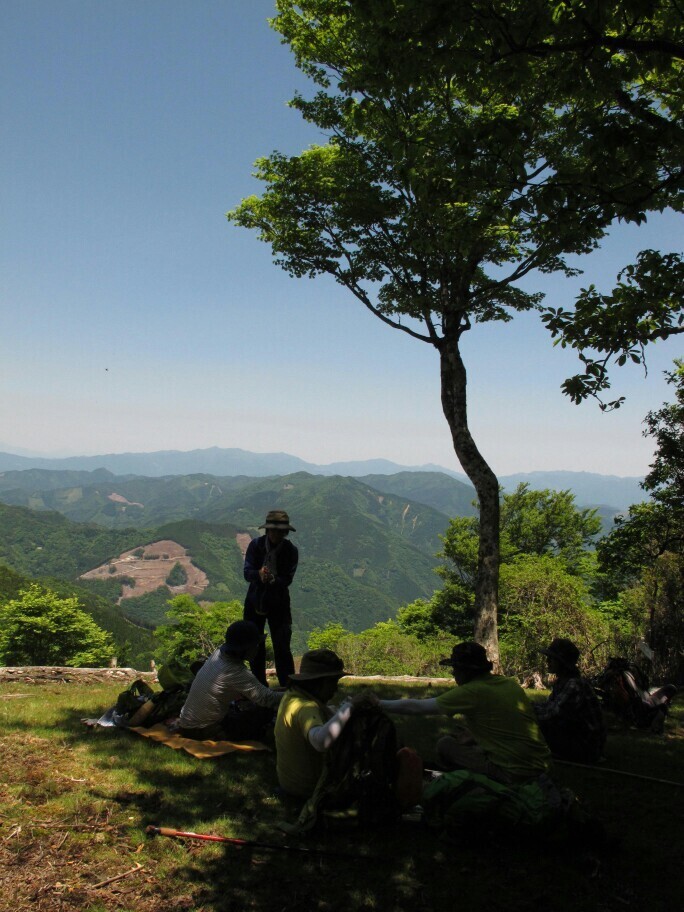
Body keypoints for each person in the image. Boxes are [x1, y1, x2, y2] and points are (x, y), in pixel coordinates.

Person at [379, 641, 551, 784]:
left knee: (445, 744)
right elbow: (507, 723)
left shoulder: (472, 691)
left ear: (465, 671)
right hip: (542, 766)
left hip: (514, 773)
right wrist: (475, 736)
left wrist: (376, 703)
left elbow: (417, 707)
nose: (453, 673)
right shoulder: (509, 684)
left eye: (455, 668)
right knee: (467, 744)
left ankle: (472, 781)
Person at [275, 648, 366, 799]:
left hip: (289, 783)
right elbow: (320, 741)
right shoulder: (306, 708)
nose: (335, 689)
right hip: (310, 789)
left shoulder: (291, 696)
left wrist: (332, 712)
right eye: (333, 682)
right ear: (318, 682)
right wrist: (349, 707)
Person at [177, 620, 282, 741]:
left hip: (187, 723)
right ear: (245, 649)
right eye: (255, 645)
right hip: (203, 730)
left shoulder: (218, 654)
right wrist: (295, 694)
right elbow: (267, 698)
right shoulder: (235, 671)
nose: (257, 648)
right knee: (264, 712)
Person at [243, 509, 298, 686]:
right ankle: (258, 686)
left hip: (279, 603)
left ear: (285, 532)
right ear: (268, 530)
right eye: (273, 530)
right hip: (255, 601)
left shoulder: (290, 551)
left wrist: (273, 579)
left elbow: (287, 579)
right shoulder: (255, 546)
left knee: (282, 645)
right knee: (254, 645)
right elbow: (247, 573)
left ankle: (287, 686)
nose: (276, 534)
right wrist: (259, 575)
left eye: (280, 531)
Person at [533, 637, 606, 763]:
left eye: (551, 658)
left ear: (561, 662)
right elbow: (548, 706)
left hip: (586, 747)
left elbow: (551, 714)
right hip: (583, 742)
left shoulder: (573, 684)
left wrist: (525, 710)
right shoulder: (563, 681)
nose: (547, 661)